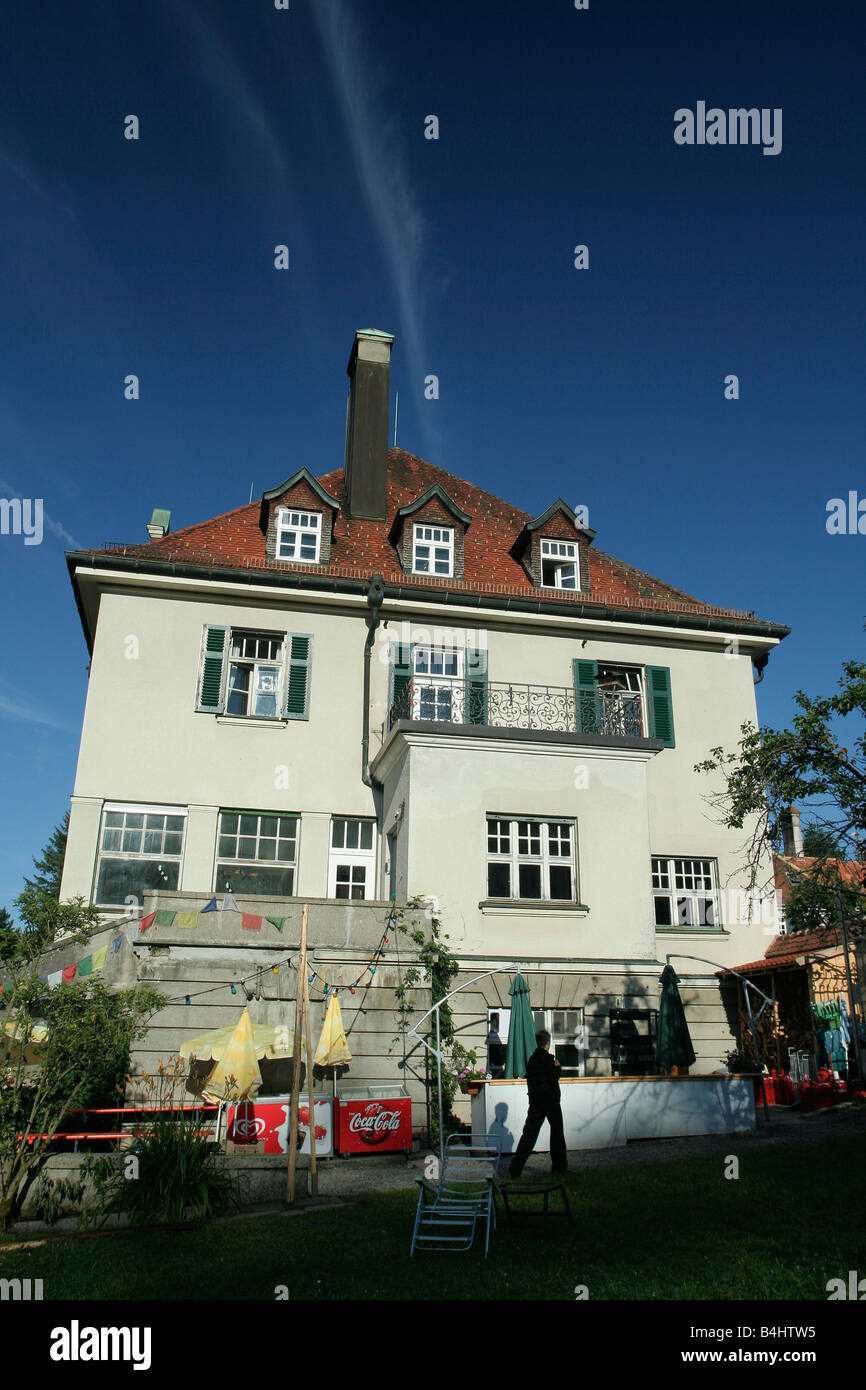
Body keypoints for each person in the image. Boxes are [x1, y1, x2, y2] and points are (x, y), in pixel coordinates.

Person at [508, 1029, 568, 1177]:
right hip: (550, 1100)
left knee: (529, 1134)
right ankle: (559, 1166)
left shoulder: (532, 1060)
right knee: (557, 1133)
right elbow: (553, 1078)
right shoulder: (548, 1060)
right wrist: (558, 1068)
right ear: (547, 1043)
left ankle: (516, 1167)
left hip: (535, 1101)